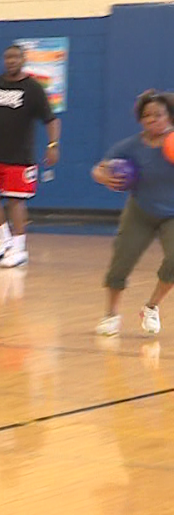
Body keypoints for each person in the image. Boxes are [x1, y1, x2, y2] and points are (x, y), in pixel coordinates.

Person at [0, 44, 61, 268]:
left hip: (20, 156)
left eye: (16, 57)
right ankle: (3, 241)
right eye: (7, 57)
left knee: (16, 201)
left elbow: (51, 119)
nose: (11, 60)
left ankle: (19, 248)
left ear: (23, 60)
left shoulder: (33, 88)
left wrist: (53, 144)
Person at [91, 90, 174, 337]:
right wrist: (104, 176)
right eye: (147, 115)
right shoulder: (131, 146)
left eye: (158, 115)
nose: (152, 119)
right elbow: (98, 169)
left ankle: (151, 307)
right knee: (121, 261)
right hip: (141, 211)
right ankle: (111, 315)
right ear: (141, 119)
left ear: (169, 117)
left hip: (172, 214)